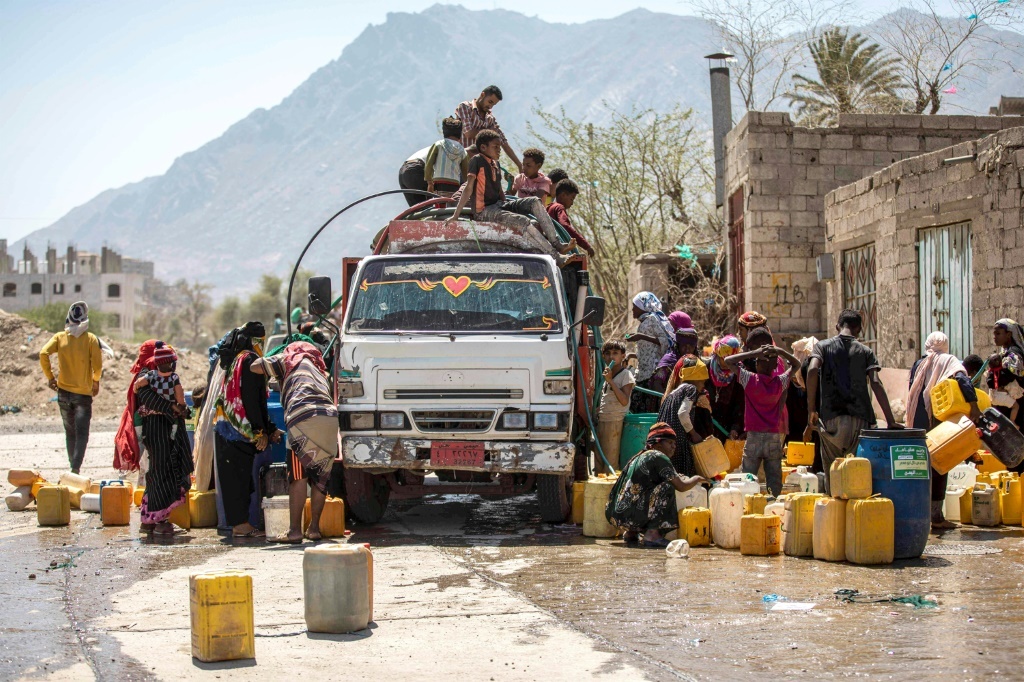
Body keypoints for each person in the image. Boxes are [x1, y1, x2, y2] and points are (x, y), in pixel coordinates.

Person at [250, 342, 338, 543]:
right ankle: (314, 529)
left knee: (299, 477)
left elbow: (253, 366)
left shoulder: (288, 361)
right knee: (321, 477)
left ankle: (295, 531)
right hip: (330, 418)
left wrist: (275, 357)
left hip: (302, 416)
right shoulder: (320, 370)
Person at [805, 309, 900, 494]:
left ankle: (835, 517)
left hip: (831, 418)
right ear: (859, 330)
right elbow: (875, 383)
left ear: (837, 326)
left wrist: (811, 410)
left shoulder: (822, 347)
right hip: (860, 420)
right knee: (856, 474)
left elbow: (811, 371)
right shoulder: (866, 351)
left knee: (834, 475)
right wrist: (890, 420)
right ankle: (857, 517)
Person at [447, 129, 575, 262]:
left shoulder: (496, 163)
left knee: (535, 201)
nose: (499, 150)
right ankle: (556, 257)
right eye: (496, 147)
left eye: (499, 147)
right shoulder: (476, 160)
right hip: (484, 210)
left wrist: (507, 205)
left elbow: (499, 191)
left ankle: (556, 243)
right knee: (523, 221)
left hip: (499, 205)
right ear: (483, 147)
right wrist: (456, 215)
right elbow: (468, 187)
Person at [906, 332, 982, 529]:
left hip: (918, 419)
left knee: (920, 465)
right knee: (940, 463)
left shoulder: (919, 363)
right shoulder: (949, 360)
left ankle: (916, 513)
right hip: (939, 419)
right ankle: (936, 517)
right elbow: (963, 380)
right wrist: (973, 405)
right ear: (945, 344)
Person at [214, 322, 282, 538]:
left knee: (235, 478)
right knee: (240, 480)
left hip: (227, 426)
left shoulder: (235, 358)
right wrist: (260, 431)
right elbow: (253, 400)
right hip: (240, 430)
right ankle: (240, 525)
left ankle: (240, 524)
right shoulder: (251, 361)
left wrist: (269, 428)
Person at [605, 422, 707, 548]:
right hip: (630, 515)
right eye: (670, 443)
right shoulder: (658, 456)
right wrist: (696, 479)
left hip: (616, 516)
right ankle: (652, 534)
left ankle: (631, 532)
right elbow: (681, 486)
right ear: (658, 444)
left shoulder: (638, 456)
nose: (673, 446)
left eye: (674, 443)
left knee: (651, 488)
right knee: (667, 486)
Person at [725, 344, 801, 497]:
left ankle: (748, 504)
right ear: (774, 366)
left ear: (758, 364)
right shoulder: (779, 382)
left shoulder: (750, 379)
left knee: (748, 478)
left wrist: (754, 351)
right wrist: (779, 351)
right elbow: (797, 364)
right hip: (773, 437)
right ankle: (774, 503)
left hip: (753, 437)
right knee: (774, 478)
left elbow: (728, 361)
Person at [134, 342, 194, 536]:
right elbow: (149, 399)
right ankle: (159, 520)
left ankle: (149, 520)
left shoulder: (152, 375)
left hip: (166, 429)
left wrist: (182, 410)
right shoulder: (146, 374)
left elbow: (180, 400)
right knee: (163, 472)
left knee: (161, 472)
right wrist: (174, 409)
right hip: (159, 430)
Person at [39, 302, 102, 474]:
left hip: (63, 394)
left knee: (70, 433)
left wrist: (50, 377)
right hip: (82, 395)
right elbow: (97, 367)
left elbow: (43, 353)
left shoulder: (59, 337)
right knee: (82, 434)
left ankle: (72, 467)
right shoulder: (91, 339)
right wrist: (95, 381)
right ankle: (75, 469)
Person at [658, 356, 714, 475]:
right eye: (703, 382)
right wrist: (693, 433)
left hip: (665, 440)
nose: (703, 386)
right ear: (697, 379)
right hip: (678, 440)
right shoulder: (691, 389)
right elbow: (683, 413)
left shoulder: (673, 393)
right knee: (682, 474)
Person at [626, 291, 675, 413]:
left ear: (644, 307)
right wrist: (632, 355)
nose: (632, 309)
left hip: (651, 372)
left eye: (635, 306)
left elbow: (665, 340)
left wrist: (641, 336)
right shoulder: (645, 321)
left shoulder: (652, 319)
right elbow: (648, 350)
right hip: (643, 371)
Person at [454, 85, 522, 171]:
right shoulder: (465, 107)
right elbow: (468, 133)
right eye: (490, 102)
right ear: (482, 95)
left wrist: (519, 165)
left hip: (480, 168)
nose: (490, 106)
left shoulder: (490, 119)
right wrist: (489, 131)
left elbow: (503, 142)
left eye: (493, 104)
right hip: (462, 163)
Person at [596, 340, 635, 473]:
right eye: (607, 354)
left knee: (610, 461)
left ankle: (610, 491)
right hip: (603, 419)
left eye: (615, 353)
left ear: (623, 356)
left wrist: (611, 381)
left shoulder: (626, 375)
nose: (611, 357)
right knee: (599, 461)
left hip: (615, 421)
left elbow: (624, 400)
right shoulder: (607, 374)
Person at [706, 335, 746, 444]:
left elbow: (740, 405)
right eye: (723, 358)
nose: (726, 364)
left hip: (727, 427)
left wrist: (735, 428)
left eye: (730, 360)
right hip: (706, 425)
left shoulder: (740, 374)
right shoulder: (706, 368)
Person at [134, 342, 188, 419]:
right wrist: (182, 405)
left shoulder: (151, 374)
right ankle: (174, 427)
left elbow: (139, 383)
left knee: (136, 416)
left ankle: (138, 430)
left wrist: (135, 389)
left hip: (151, 410)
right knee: (177, 419)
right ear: (171, 363)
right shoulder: (174, 378)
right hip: (170, 412)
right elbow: (179, 393)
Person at [987, 319, 1024, 431]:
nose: (994, 337)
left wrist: (992, 376)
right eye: (994, 334)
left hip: (1018, 406)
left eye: (998, 333)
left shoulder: (1014, 353)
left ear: (1008, 334)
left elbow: (1006, 376)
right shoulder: (1005, 352)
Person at [650, 312, 698, 395]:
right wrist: (669, 399)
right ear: (678, 345)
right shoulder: (669, 362)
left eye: (691, 346)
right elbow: (656, 384)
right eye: (684, 345)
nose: (687, 349)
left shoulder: (697, 362)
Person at [546, 179, 594, 257]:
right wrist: (587, 246)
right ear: (563, 195)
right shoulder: (559, 207)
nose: (572, 203)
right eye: (572, 199)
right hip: (556, 249)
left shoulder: (548, 207)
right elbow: (565, 226)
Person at [425, 117, 469, 198]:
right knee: (450, 206)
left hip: (439, 183)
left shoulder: (438, 145)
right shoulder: (463, 151)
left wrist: (430, 183)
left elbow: (429, 165)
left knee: (439, 206)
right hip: (455, 184)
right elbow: (466, 172)